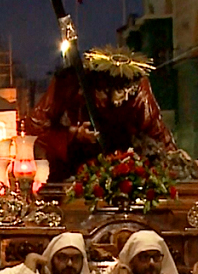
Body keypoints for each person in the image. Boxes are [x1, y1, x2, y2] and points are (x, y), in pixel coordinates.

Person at [26, 47, 182, 181]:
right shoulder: (72, 81)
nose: (117, 99)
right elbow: (35, 124)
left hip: (125, 166)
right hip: (77, 165)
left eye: (124, 91)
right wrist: (73, 134)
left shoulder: (139, 90)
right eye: (108, 91)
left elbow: (159, 134)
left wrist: (176, 160)